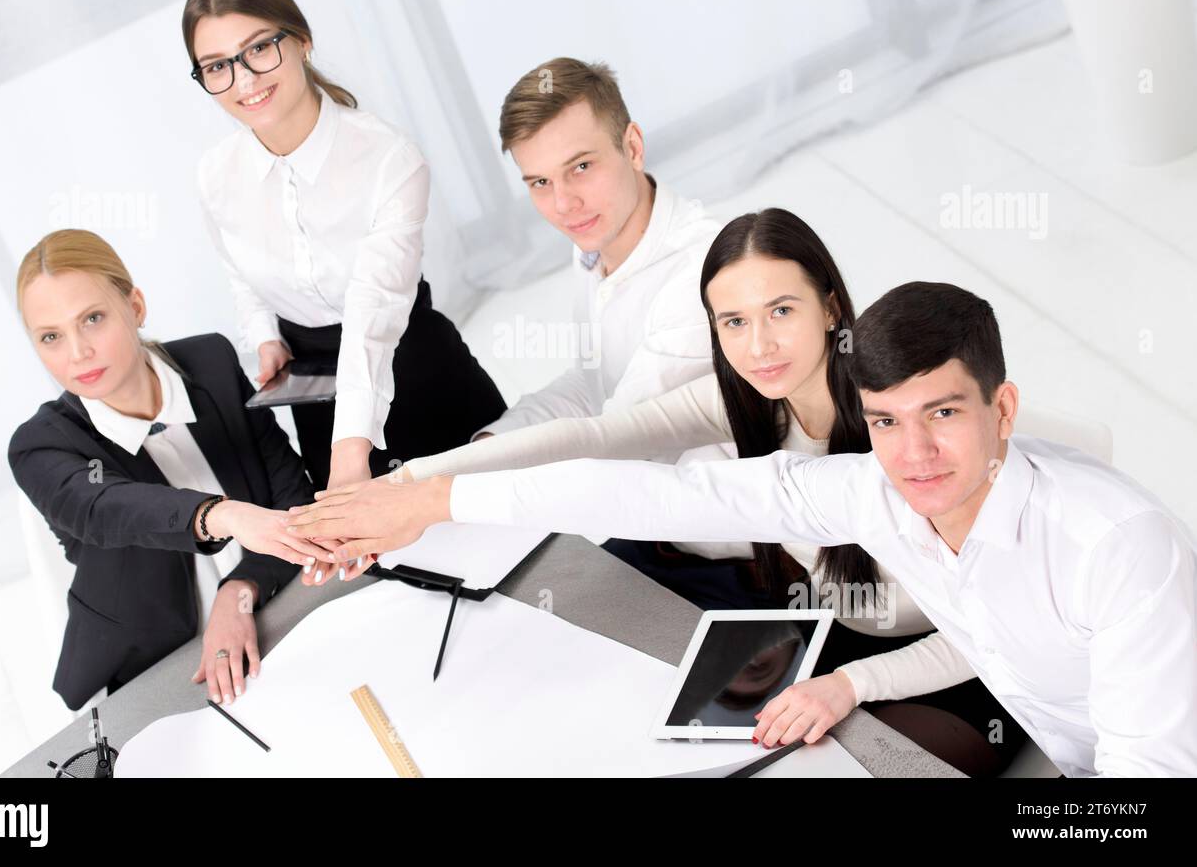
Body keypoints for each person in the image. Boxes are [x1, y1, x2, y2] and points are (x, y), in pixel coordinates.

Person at [291, 281, 1197, 777]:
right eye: (885, 422)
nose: (915, 453)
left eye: (945, 414)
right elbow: (642, 495)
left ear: (1003, 408)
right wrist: (427, 496)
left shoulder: (1114, 545)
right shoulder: (875, 494)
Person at [184, 0, 505, 491]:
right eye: (217, 65)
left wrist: (350, 453)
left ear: (302, 40)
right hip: (316, 393)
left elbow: (373, 312)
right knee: (389, 568)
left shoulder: (389, 160)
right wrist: (265, 336)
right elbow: (237, 267)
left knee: (517, 539)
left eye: (259, 49)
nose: (243, 80)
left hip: (414, 369)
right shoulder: (215, 175)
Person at [9, 229, 339, 711]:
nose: (77, 352)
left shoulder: (210, 362)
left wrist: (239, 592)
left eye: (93, 319)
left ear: (136, 306)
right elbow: (108, 507)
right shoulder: (40, 445)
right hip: (159, 669)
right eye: (51, 337)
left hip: (277, 601)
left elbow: (291, 503)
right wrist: (223, 516)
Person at [472, 57, 723, 440]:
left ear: (634, 148)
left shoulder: (699, 275)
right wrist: (491, 442)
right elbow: (596, 385)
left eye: (581, 167)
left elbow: (612, 438)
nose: (563, 205)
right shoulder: (596, 241)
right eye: (540, 182)